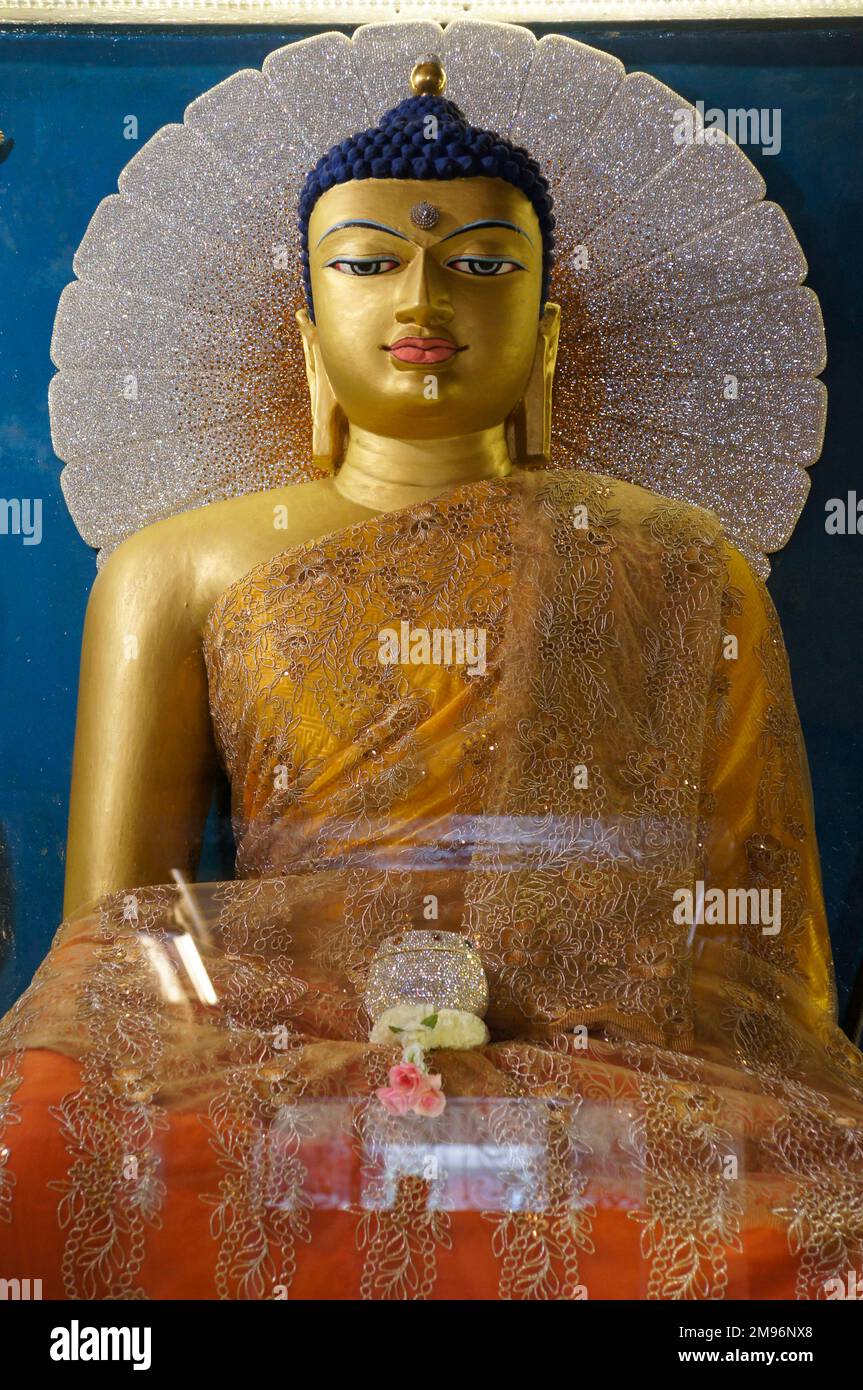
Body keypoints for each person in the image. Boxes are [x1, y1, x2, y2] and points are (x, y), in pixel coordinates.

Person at [1, 53, 861, 1302]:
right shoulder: (171, 570)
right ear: (306, 331)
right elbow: (121, 943)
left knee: (818, 1189)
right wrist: (287, 1039)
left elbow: (759, 955)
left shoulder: (681, 564)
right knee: (38, 1150)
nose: (422, 292)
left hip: (613, 1065)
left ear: (547, 329)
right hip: (266, 1064)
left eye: (481, 263)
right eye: (365, 262)